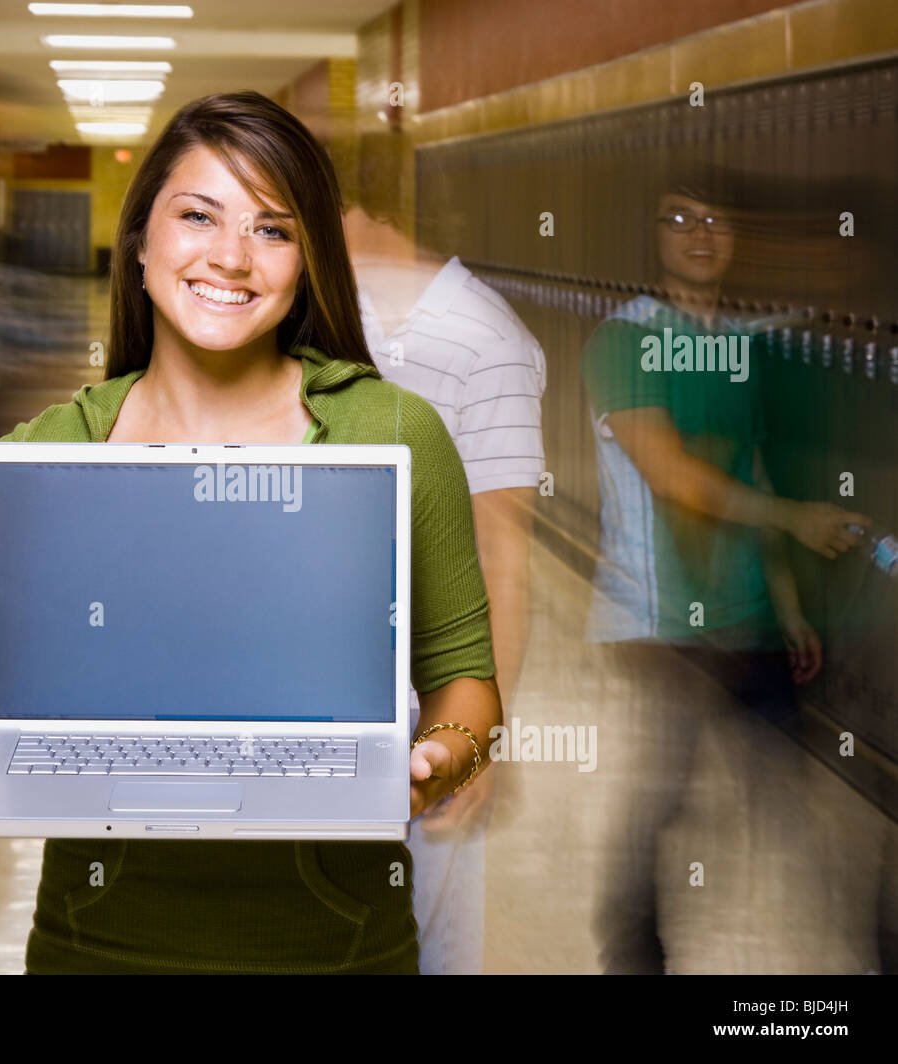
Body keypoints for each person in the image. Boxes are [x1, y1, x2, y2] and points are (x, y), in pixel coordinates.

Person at [0, 91, 503, 974]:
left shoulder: (394, 434)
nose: (231, 256)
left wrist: (440, 759)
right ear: (141, 241)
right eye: (198, 216)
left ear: (308, 261)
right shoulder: (50, 451)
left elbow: (467, 684)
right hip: (92, 942)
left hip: (340, 945)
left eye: (272, 229)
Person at [582, 172, 869, 973]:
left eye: (717, 221)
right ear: (656, 235)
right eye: (680, 219)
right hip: (660, 624)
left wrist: (786, 602)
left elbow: (752, 471)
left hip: (746, 617)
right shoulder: (625, 340)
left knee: (781, 801)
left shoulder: (738, 347)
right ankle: (632, 955)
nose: (701, 234)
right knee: (666, 798)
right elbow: (673, 476)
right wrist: (797, 521)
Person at [345, 132, 546, 974]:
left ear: (372, 209)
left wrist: (476, 733)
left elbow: (503, 548)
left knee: (432, 929)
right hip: (326, 680)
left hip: (431, 685)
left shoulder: (485, 338)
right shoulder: (323, 314)